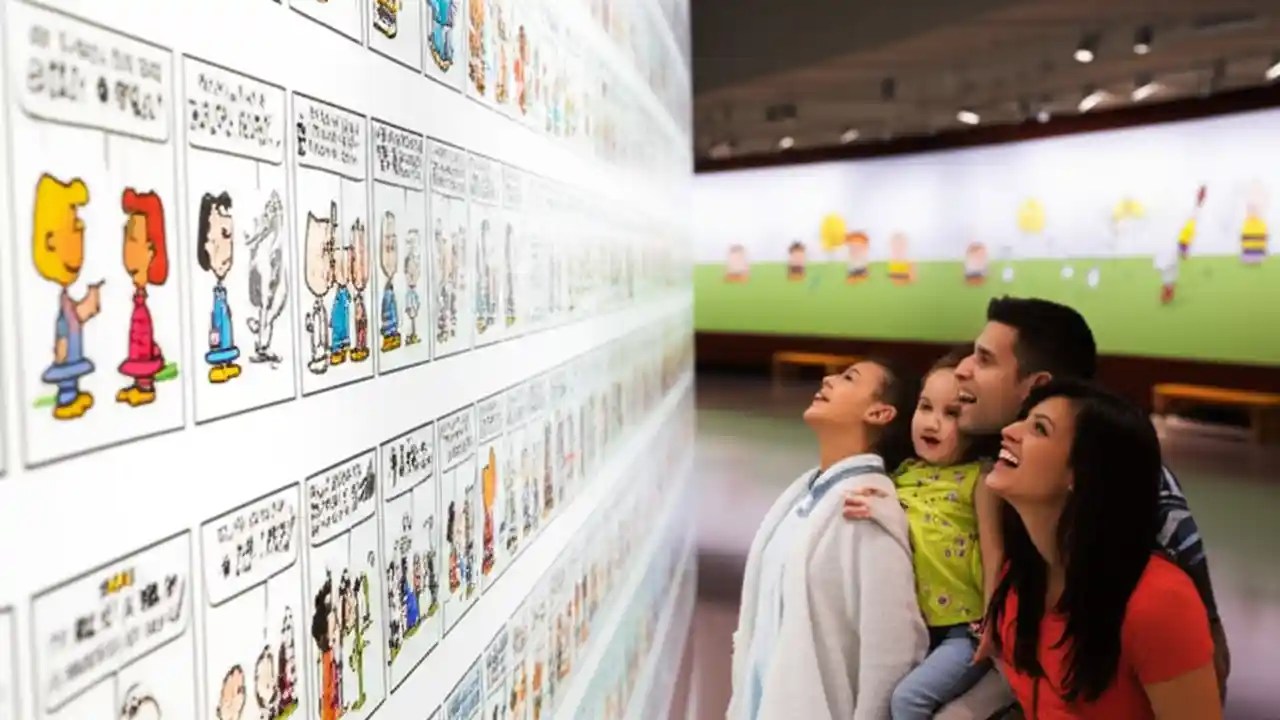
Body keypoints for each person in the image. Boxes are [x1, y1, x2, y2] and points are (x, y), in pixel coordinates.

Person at [955, 297, 1230, 698]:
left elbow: (1204, 648)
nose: (962, 370)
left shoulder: (1141, 487)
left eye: (984, 359)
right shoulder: (995, 461)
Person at [984, 380, 1220, 718]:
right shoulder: (1021, 575)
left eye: (1038, 428)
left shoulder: (1158, 602)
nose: (1008, 431)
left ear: (1082, 472)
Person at [727, 359, 928, 720]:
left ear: (880, 412)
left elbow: (892, 649)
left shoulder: (868, 508)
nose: (828, 379)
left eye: (849, 377)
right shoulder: (806, 494)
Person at [843, 350, 1003, 719]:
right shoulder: (901, 475)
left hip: (967, 630)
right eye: (925, 407)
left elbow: (995, 551)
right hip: (916, 628)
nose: (931, 423)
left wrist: (994, 621)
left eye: (951, 414)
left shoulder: (980, 478)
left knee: (908, 700)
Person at [117, 189, 169, 406]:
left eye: (133, 238)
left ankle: (144, 385)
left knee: (141, 337)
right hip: (141, 344)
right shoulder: (139, 300)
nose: (126, 245)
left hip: (143, 350)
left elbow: (143, 337)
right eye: (126, 236)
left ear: (150, 250)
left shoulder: (141, 305)